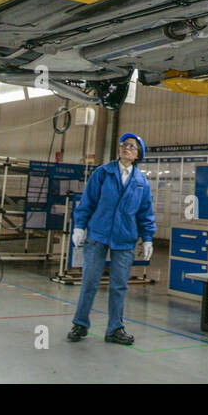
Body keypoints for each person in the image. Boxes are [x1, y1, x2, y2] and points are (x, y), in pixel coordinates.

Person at [68, 133, 155, 345]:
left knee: (119, 285)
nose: (127, 148)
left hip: (125, 239)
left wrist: (148, 238)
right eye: (125, 144)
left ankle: (115, 329)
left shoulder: (141, 182)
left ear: (138, 155)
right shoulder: (102, 173)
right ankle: (80, 324)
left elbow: (145, 213)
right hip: (98, 234)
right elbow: (88, 201)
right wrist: (79, 226)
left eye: (132, 147)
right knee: (89, 281)